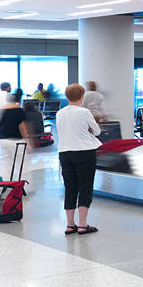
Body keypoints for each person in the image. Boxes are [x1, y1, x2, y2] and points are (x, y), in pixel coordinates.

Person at [56, 83, 101, 235]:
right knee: (85, 187)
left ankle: (70, 225)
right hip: (84, 152)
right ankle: (82, 224)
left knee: (70, 187)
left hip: (65, 152)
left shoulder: (60, 113)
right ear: (82, 97)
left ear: (67, 97)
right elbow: (97, 131)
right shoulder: (84, 112)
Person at [0, 90, 31, 178]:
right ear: (18, 101)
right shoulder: (19, 111)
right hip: (17, 141)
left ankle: (6, 186)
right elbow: (22, 127)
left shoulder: (1, 111)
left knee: (5, 165)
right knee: (21, 164)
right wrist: (27, 141)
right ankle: (22, 186)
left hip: (2, 141)